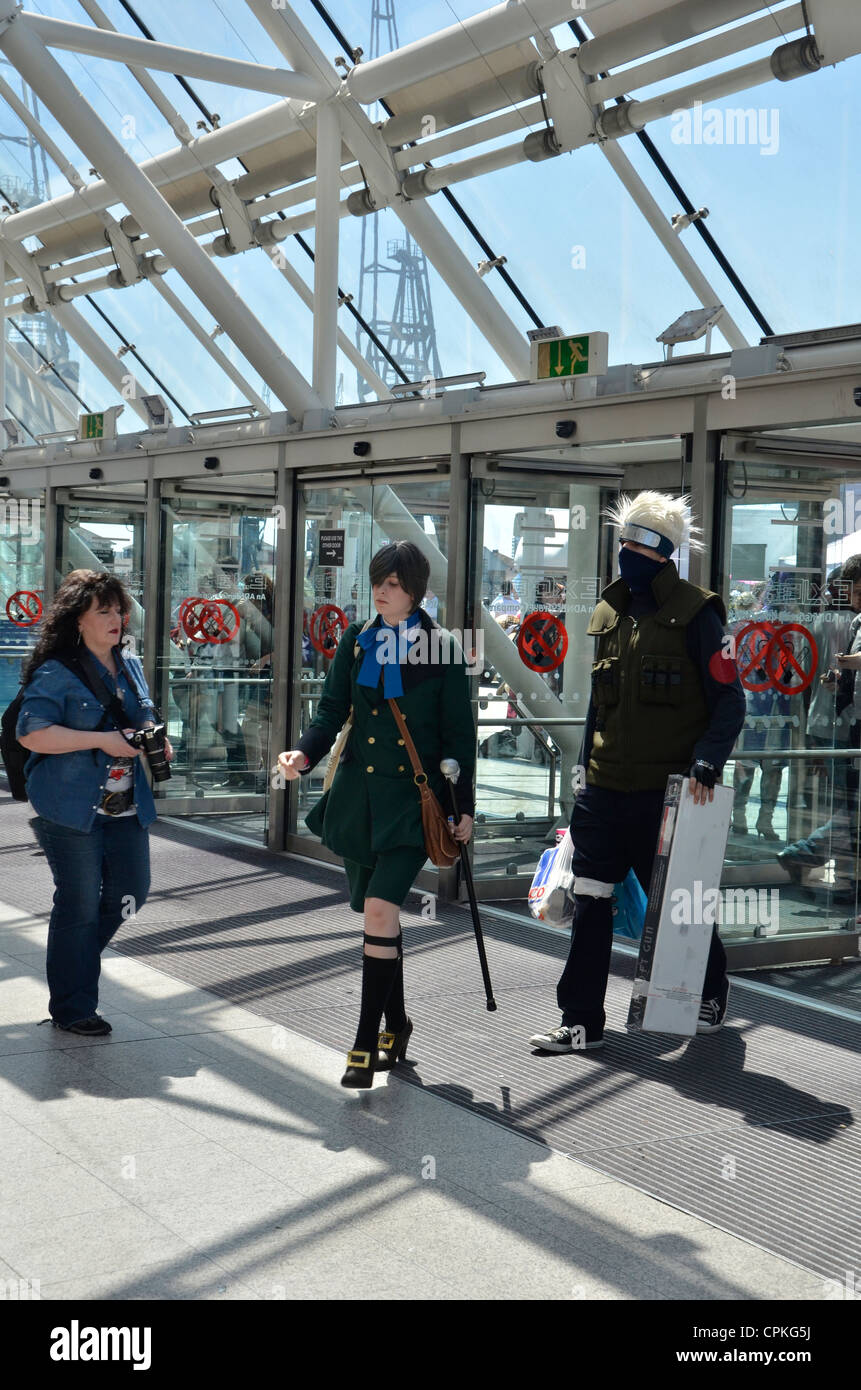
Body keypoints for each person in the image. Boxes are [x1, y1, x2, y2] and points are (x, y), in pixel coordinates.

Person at [529, 492, 746, 1054]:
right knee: (591, 900)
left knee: (679, 903)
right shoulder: (607, 612)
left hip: (668, 792)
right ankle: (581, 1021)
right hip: (603, 789)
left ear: (663, 551)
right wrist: (581, 769)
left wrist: (706, 761)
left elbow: (730, 700)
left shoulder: (700, 614)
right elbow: (598, 707)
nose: (625, 552)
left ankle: (711, 987)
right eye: (622, 541)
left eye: (638, 543)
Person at [278, 541, 475, 1088]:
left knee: (379, 912)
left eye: (393, 583)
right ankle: (399, 1023)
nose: (382, 591)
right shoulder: (358, 641)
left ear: (416, 590)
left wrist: (466, 810)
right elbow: (331, 710)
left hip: (415, 806)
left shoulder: (443, 650)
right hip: (359, 803)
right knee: (377, 919)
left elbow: (459, 737)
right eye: (378, 581)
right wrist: (303, 752)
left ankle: (364, 1044)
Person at [16, 569, 172, 1036]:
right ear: (76, 620)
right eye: (102, 611)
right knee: (79, 905)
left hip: (127, 808)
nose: (116, 618)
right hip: (71, 808)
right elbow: (33, 732)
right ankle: (73, 1007)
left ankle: (74, 966)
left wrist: (156, 743)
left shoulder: (130, 664)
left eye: (119, 609)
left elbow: (143, 717)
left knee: (131, 894)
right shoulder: (55, 672)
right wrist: (103, 739)